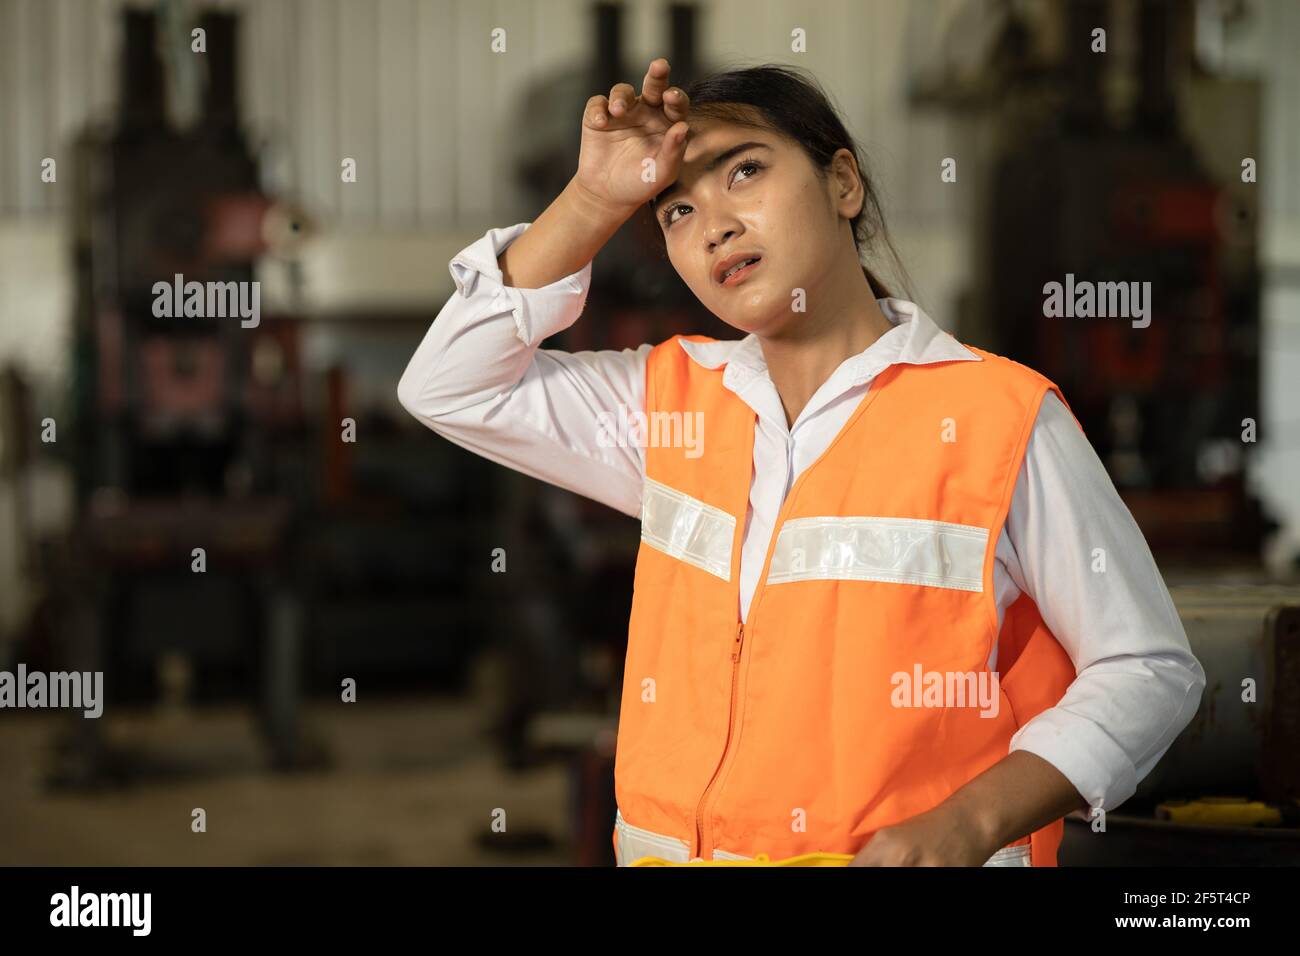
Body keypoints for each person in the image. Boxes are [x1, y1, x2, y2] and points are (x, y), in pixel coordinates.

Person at [398, 58, 1206, 866]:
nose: (713, 224)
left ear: (842, 184)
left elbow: (1147, 668)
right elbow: (448, 386)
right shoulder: (669, 406)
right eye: (677, 210)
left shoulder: (999, 420)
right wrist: (594, 199)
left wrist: (970, 821)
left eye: (744, 171)